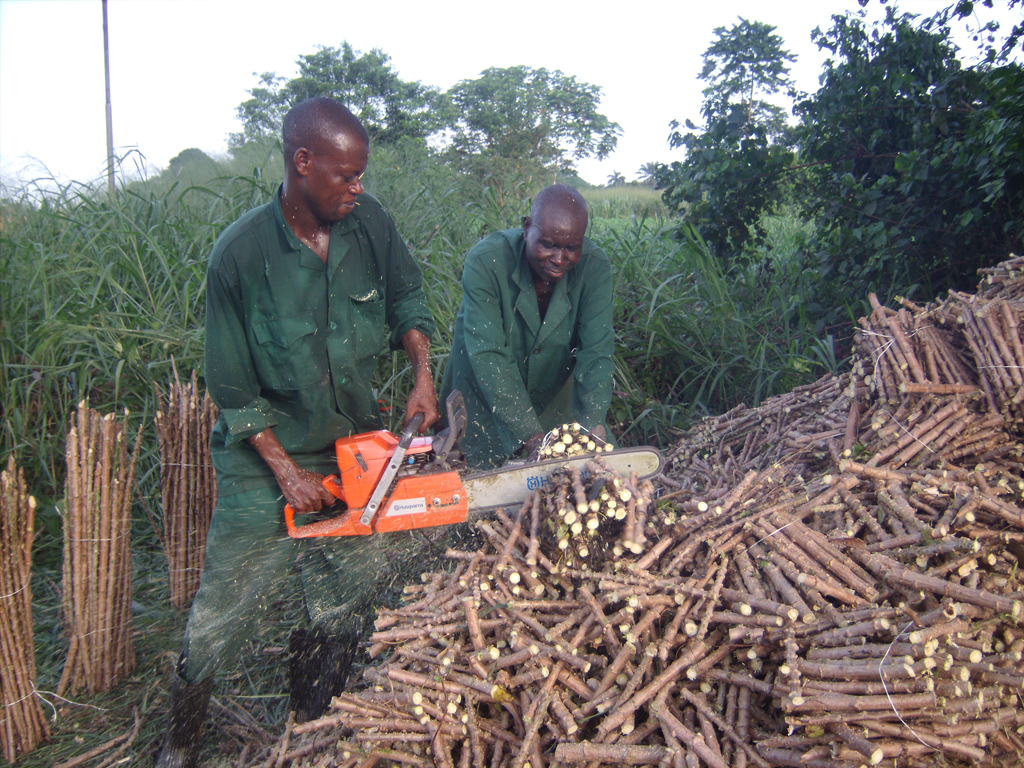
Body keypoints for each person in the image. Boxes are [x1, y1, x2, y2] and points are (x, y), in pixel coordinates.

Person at [155, 97, 440, 768]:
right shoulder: (240, 256)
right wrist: (286, 473)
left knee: (346, 593)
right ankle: (181, 740)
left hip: (351, 443)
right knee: (228, 602)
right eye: (346, 175)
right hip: (266, 453)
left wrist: (423, 372)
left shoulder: (370, 224)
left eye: (362, 174)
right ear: (303, 162)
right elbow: (233, 388)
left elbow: (408, 300)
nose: (358, 187)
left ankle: (312, 722)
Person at [440, 184, 614, 470]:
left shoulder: (595, 268)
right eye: (548, 245)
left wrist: (590, 427)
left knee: (567, 480)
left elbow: (597, 352)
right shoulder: (486, 262)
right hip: (484, 399)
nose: (559, 259)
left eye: (571, 248)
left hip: (552, 400)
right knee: (471, 479)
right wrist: (533, 438)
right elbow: (489, 355)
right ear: (526, 228)